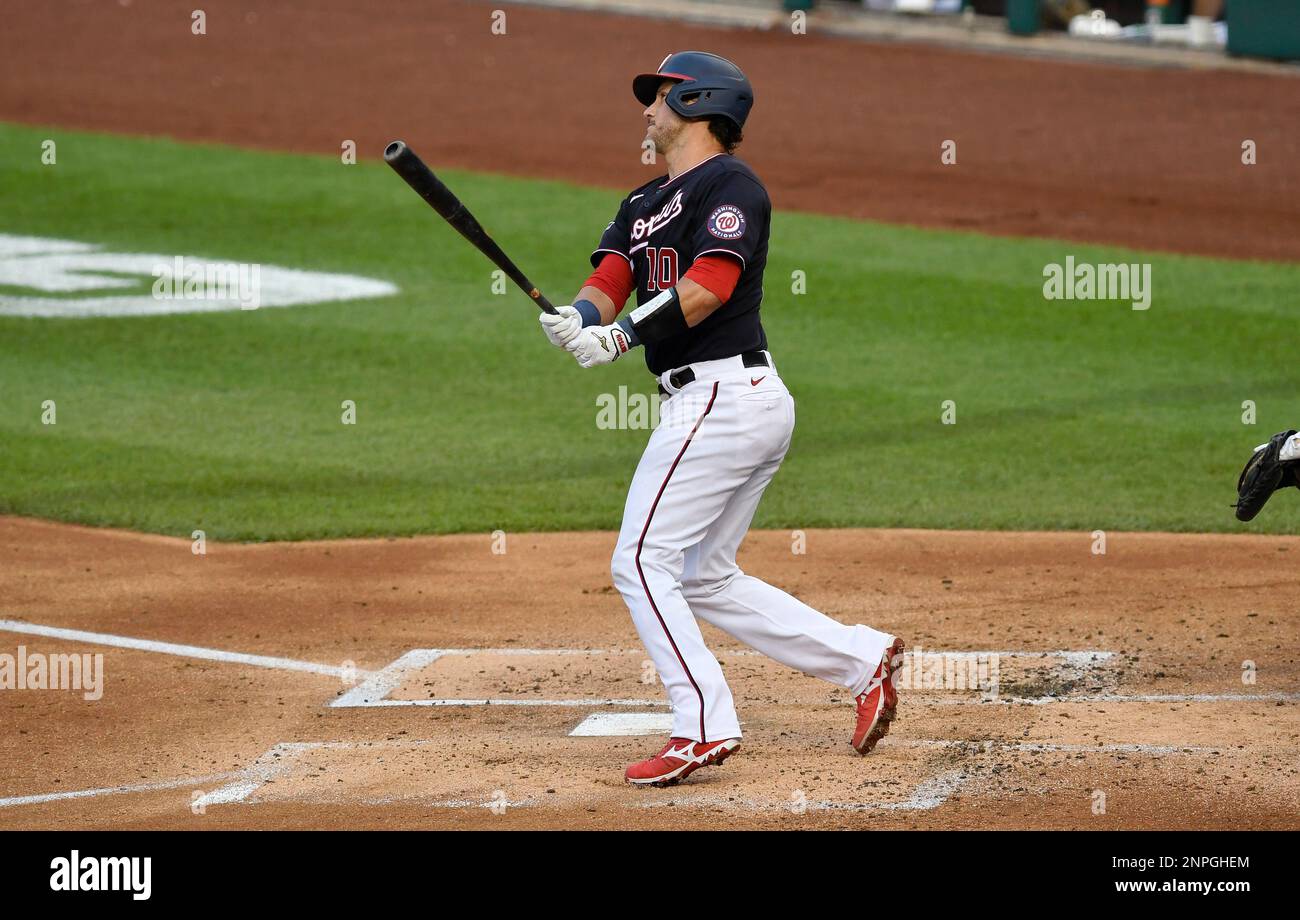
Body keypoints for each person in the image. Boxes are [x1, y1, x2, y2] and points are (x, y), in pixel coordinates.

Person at [538, 51, 905, 787]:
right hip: (720, 403)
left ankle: (702, 724)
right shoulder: (642, 202)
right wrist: (579, 319)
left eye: (662, 98)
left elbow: (710, 284)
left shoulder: (731, 185)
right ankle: (864, 661)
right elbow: (611, 278)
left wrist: (622, 337)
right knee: (701, 574)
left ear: (702, 103)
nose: (647, 110)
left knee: (641, 561)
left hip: (723, 398)